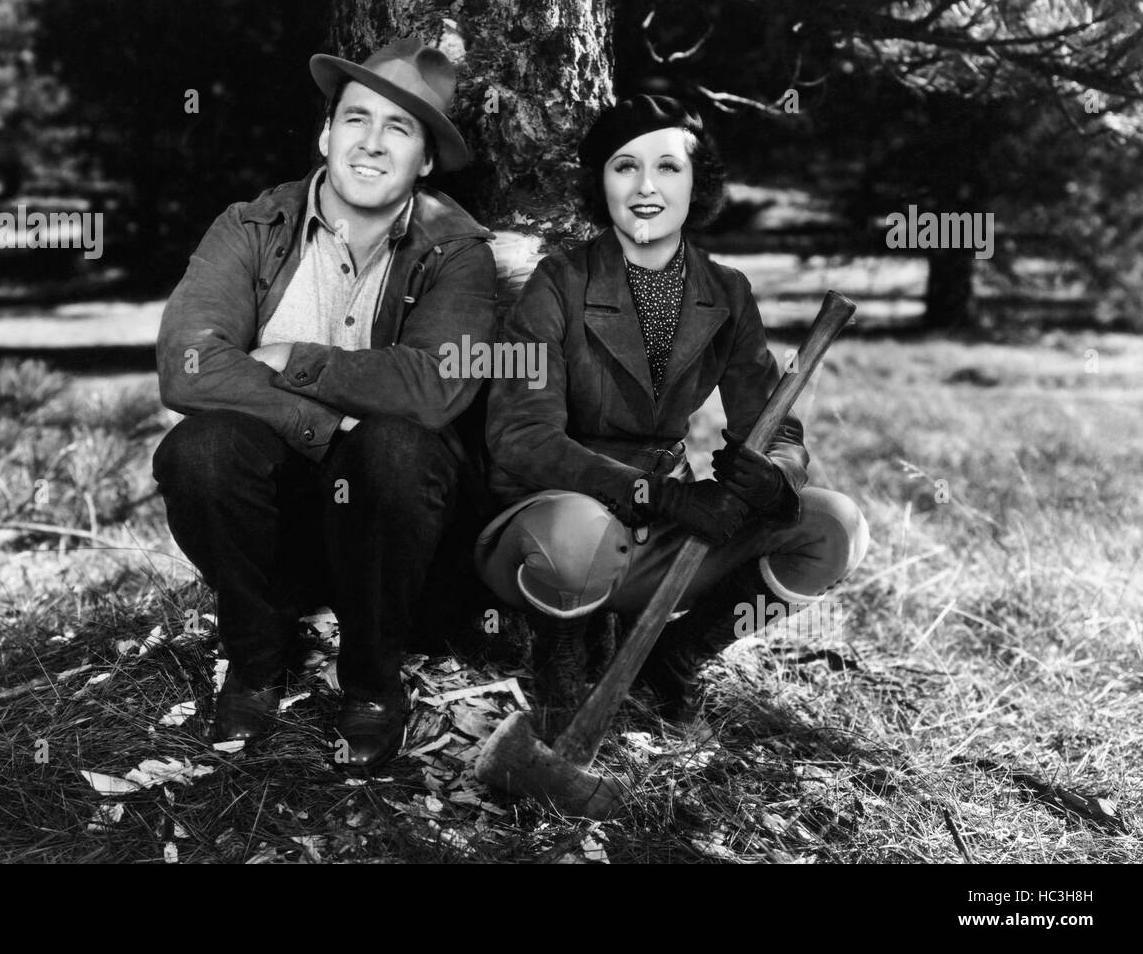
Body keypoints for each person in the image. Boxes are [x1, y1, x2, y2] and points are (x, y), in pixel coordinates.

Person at [152, 38, 497, 773]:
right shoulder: (252, 225)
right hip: (276, 521)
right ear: (325, 133)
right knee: (199, 450)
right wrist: (323, 419)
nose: (370, 144)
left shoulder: (455, 249)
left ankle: (371, 682)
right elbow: (187, 365)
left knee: (395, 446)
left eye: (398, 129)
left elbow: (435, 385)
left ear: (426, 160)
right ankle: (256, 660)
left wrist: (296, 361)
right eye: (355, 120)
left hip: (396, 535)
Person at [475, 95, 869, 733]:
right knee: (577, 536)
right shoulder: (556, 285)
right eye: (624, 167)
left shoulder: (727, 292)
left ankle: (673, 663)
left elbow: (777, 425)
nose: (647, 187)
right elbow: (521, 439)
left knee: (835, 526)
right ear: (599, 184)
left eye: (669, 167)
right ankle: (562, 680)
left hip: (663, 539)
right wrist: (658, 495)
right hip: (553, 526)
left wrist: (778, 474)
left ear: (699, 184)